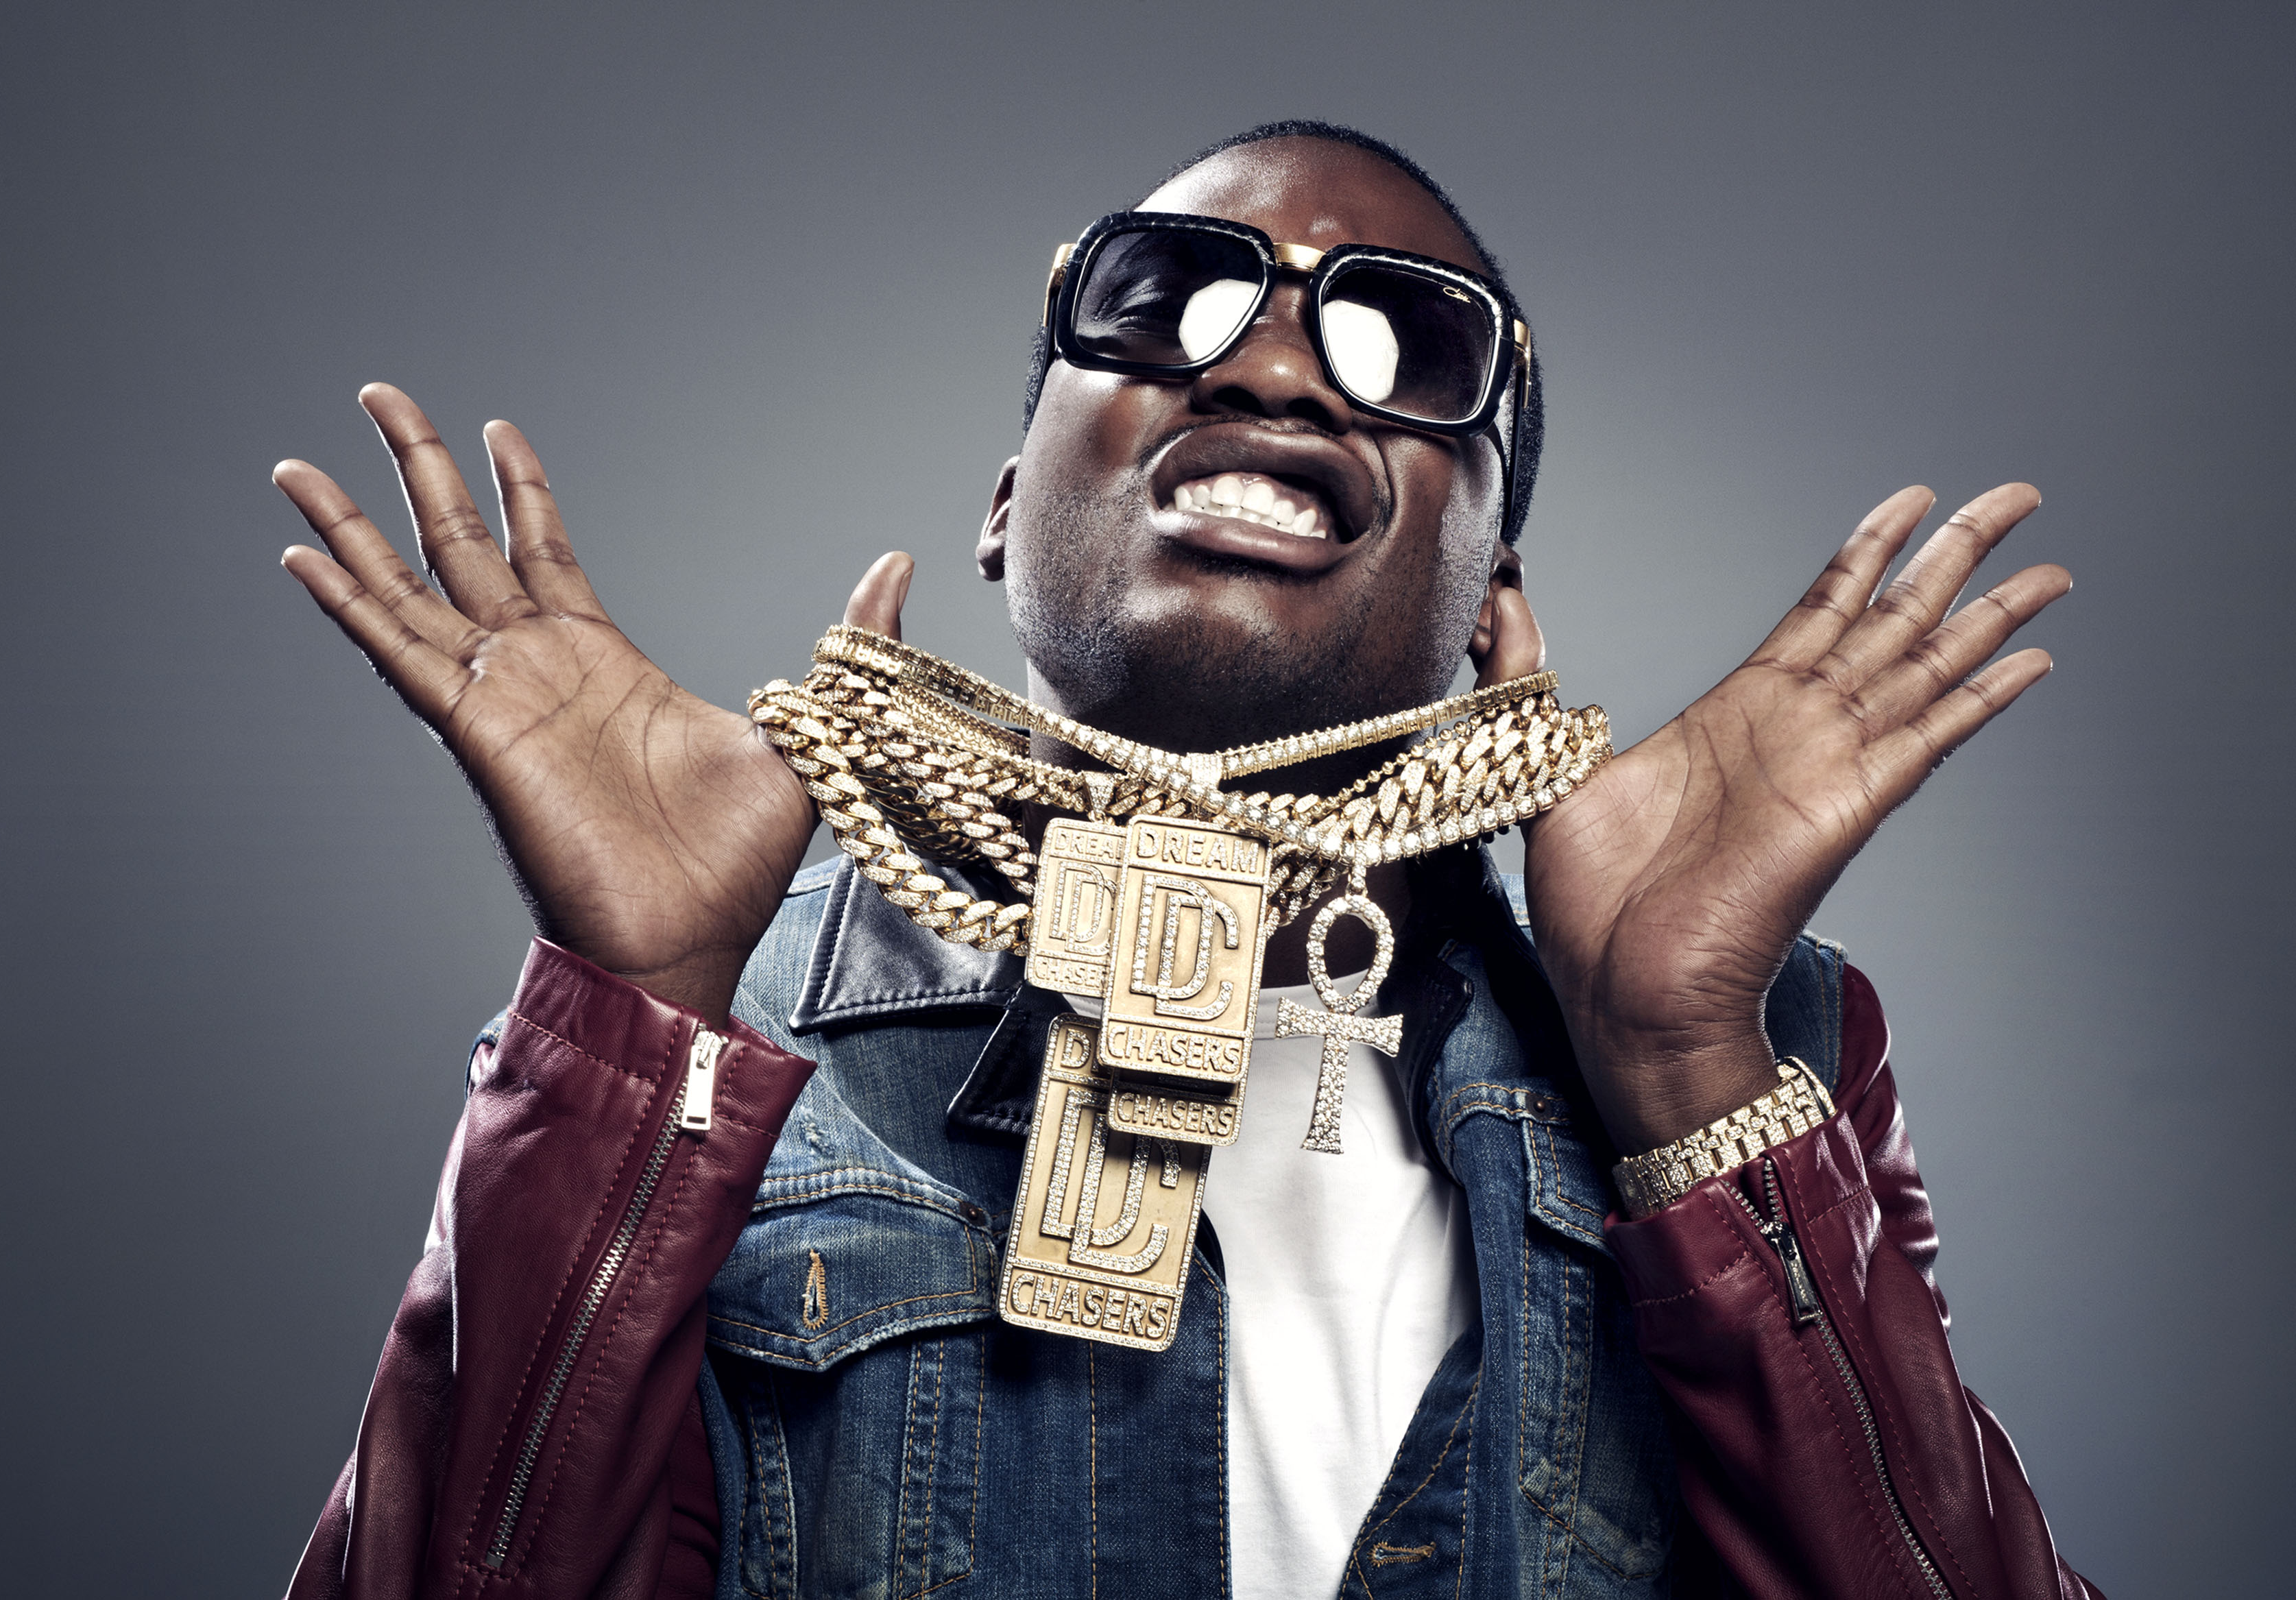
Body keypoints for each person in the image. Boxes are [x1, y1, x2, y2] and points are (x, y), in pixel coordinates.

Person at [274, 122, 2098, 1599]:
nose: (1280, 363)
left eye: (1409, 344)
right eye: (1170, 301)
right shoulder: (710, 1047)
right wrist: (637, 1017)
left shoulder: (1749, 1048)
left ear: (1493, 606)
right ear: (1007, 512)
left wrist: (1679, 1062)